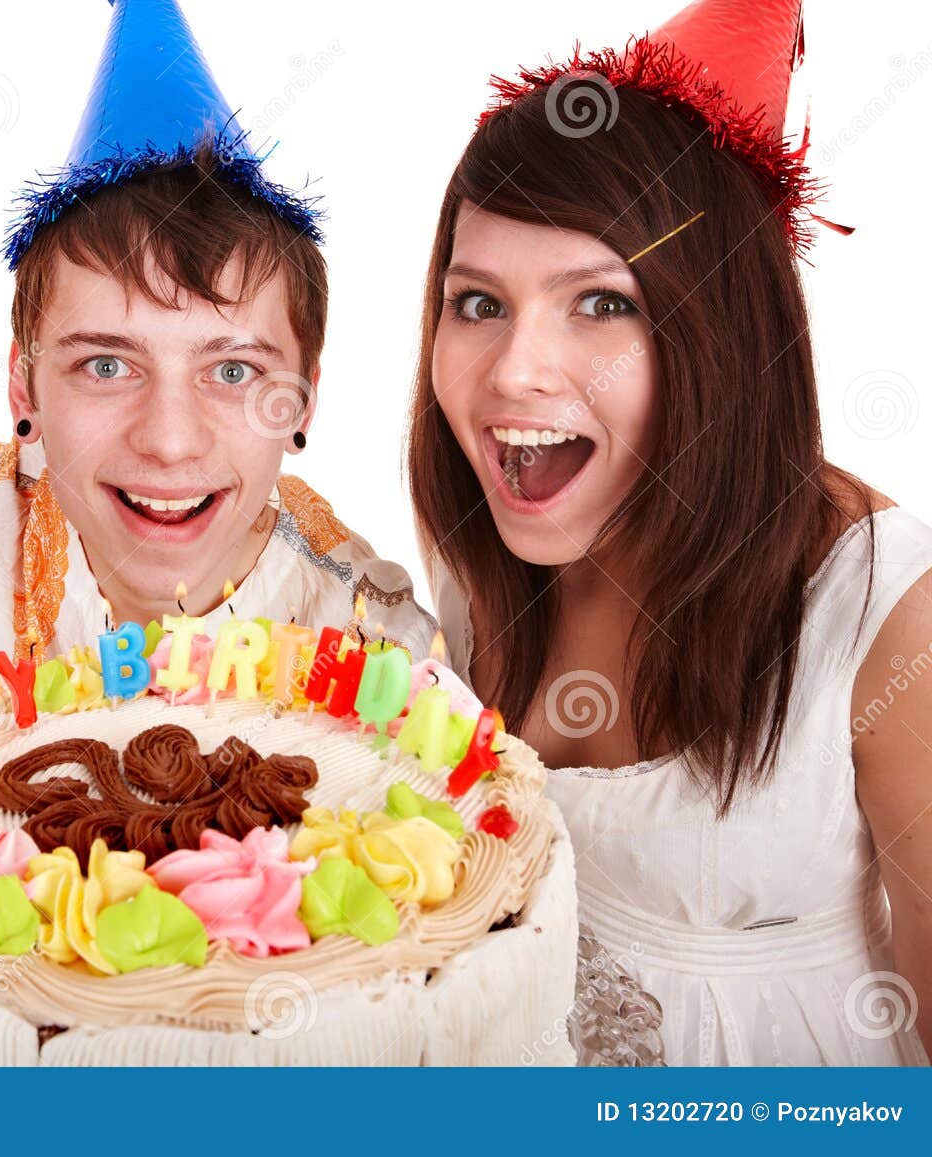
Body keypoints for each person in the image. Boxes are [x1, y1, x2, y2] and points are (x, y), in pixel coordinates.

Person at [0, 0, 437, 1050]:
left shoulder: (363, 623)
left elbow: (456, 872)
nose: (171, 440)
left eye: (233, 369)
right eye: (106, 364)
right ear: (23, 383)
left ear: (305, 398)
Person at [410, 0, 931, 1064]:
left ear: (722, 333)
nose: (514, 370)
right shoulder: (480, 556)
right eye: (478, 303)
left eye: (599, 303)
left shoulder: (886, 612)